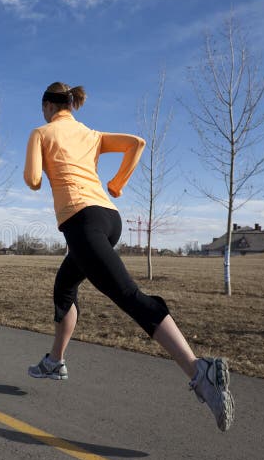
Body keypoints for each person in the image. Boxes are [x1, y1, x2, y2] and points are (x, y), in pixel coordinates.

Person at [23, 81, 234, 432]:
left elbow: (32, 180)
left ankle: (200, 372)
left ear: (48, 105)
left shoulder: (41, 132)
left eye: (42, 108)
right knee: (64, 288)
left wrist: (43, 169)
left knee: (130, 297)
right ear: (71, 106)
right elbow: (137, 143)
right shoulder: (90, 134)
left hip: (81, 221)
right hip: (109, 218)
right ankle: (55, 361)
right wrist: (118, 183)